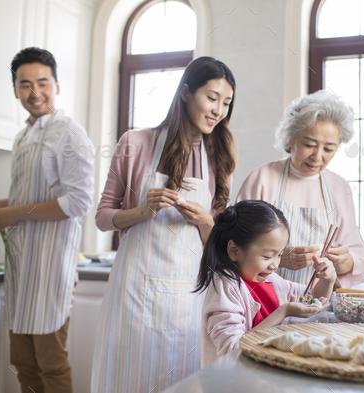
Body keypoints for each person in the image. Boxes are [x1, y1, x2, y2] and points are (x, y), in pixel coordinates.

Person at [92, 56, 237, 392]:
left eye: (226, 103)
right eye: (211, 98)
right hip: (135, 290)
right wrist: (143, 211)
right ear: (186, 93)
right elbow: (102, 217)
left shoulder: (220, 154)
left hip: (191, 292)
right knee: (128, 377)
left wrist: (204, 221)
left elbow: (222, 244)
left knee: (182, 381)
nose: (218, 110)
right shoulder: (135, 143)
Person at [0, 47, 95, 393]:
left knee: (51, 364)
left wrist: (11, 214)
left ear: (57, 86)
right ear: (15, 89)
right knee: (24, 364)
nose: (34, 93)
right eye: (25, 84)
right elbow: (35, 194)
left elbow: (78, 202)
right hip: (21, 266)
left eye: (42, 83)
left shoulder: (69, 133)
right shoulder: (23, 136)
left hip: (50, 268)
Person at [236, 90, 364, 288]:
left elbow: (355, 257)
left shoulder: (339, 187)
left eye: (328, 149)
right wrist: (280, 259)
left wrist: (344, 262)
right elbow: (234, 247)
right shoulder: (262, 178)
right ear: (291, 139)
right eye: (309, 144)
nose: (317, 156)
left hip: (319, 306)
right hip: (264, 303)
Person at [195, 200, 336, 366]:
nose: (275, 264)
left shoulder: (271, 280)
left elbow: (312, 298)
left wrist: (328, 279)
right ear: (234, 250)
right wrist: (283, 312)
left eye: (279, 255)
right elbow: (233, 352)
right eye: (267, 256)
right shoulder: (224, 289)